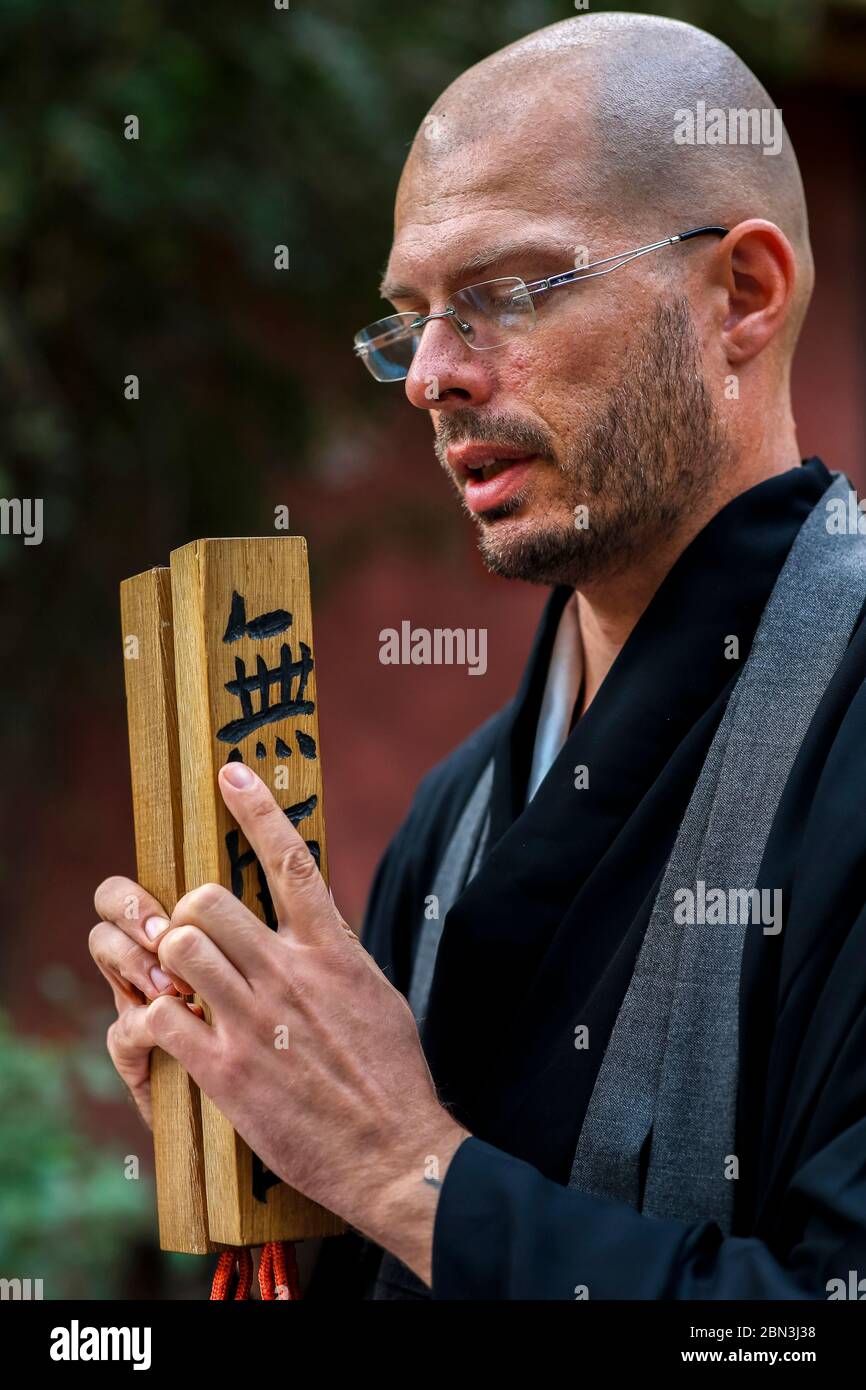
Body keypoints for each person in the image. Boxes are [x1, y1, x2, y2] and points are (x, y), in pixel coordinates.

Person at [89, 13, 866, 1299]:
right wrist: (273, 1136)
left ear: (741, 293)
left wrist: (405, 1171)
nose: (429, 378)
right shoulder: (457, 815)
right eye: (411, 318)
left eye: (500, 296)